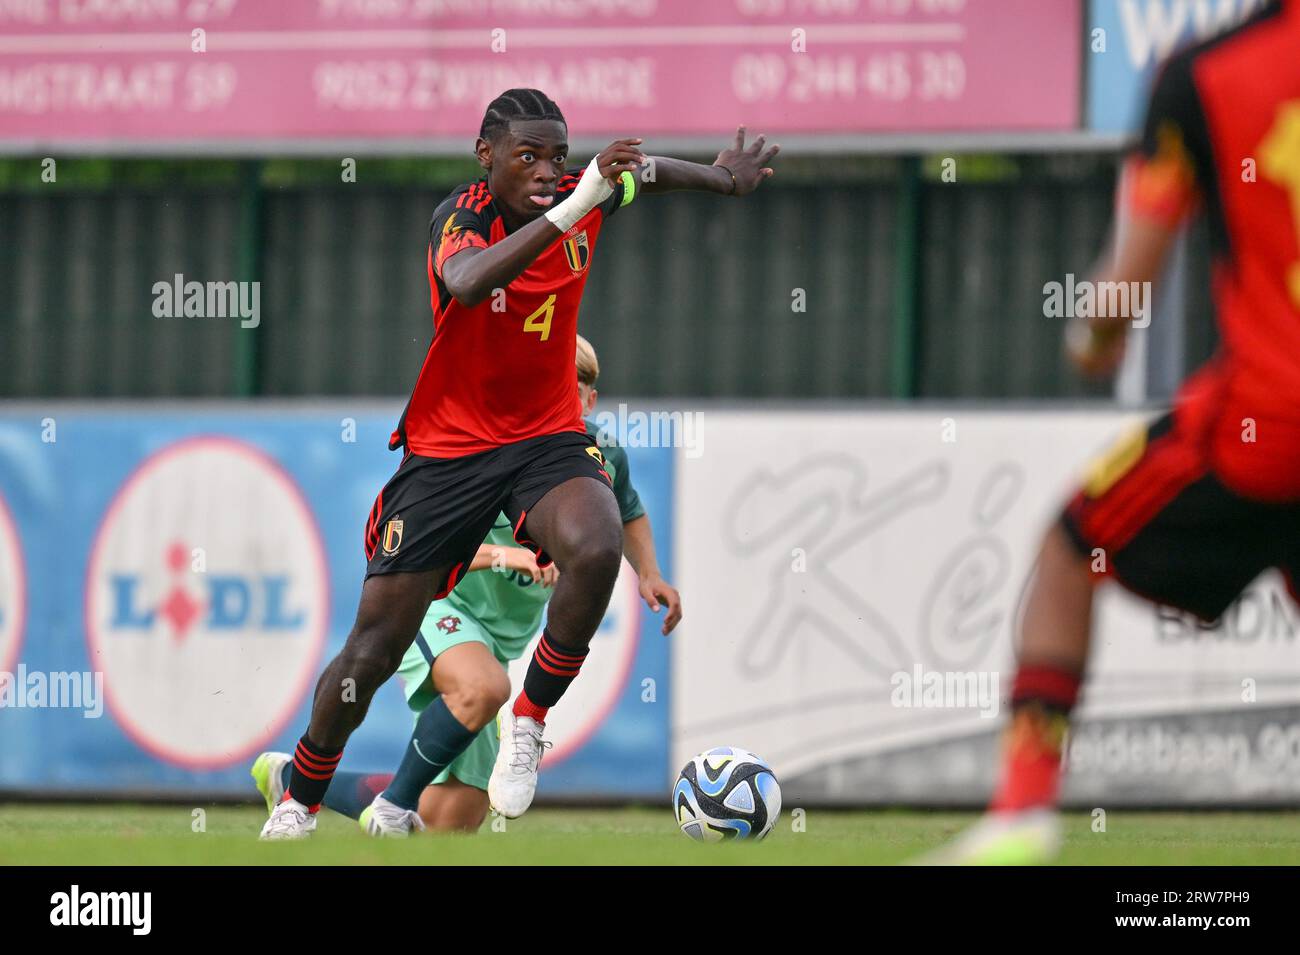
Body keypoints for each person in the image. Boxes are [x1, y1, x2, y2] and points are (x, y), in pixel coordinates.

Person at [261, 89, 774, 838]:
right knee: (370, 653)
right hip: (450, 450)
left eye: (558, 157)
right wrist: (577, 202)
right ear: (486, 155)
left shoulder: (582, 190)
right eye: (527, 155)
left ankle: (529, 721)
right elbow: (469, 282)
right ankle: (299, 796)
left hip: (545, 436)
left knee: (596, 546)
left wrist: (720, 178)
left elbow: (649, 172)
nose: (546, 169)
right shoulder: (462, 216)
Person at [932, 0, 1300, 864]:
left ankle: (1022, 811)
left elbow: (1126, 285)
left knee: (1073, 547)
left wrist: (1090, 338)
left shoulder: (1203, 74)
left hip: (1266, 427)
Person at [253, 336, 680, 834]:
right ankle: (379, 807)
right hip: (439, 604)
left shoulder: (598, 454)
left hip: (499, 637)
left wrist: (650, 574)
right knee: (485, 688)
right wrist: (505, 554)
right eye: (550, 382)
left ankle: (297, 778)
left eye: (573, 386)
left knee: (449, 820)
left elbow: (628, 510)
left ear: (589, 399)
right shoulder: (484, 445)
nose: (558, 393)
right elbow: (425, 543)